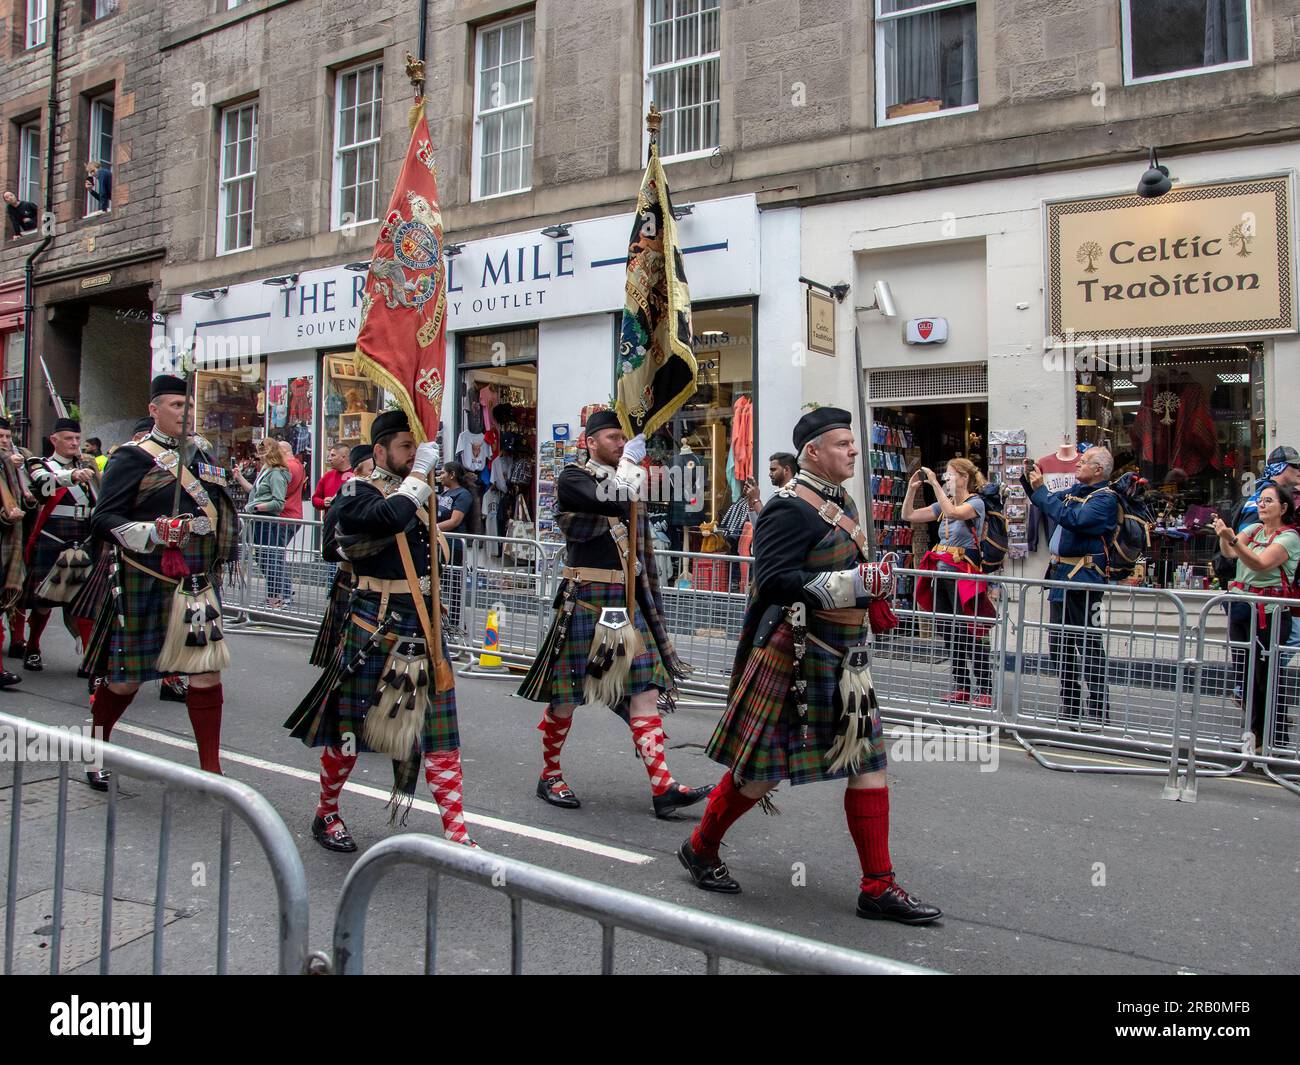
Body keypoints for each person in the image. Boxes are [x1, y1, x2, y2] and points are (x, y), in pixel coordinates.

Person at [679, 406, 940, 925]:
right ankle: (700, 846)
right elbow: (771, 581)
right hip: (799, 655)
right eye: (843, 444)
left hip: (846, 658)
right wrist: (850, 585)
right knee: (760, 775)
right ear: (814, 452)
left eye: (853, 443)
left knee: (868, 765)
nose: (853, 452)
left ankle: (878, 886)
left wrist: (867, 582)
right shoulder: (787, 509)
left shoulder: (837, 500)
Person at [284, 411, 473, 852]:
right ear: (381, 451)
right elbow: (388, 518)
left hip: (422, 625)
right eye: (406, 447)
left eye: (417, 447)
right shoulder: (356, 491)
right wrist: (422, 474)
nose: (413, 455)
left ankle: (458, 833)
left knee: (439, 735)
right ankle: (326, 812)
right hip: (375, 620)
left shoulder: (422, 497)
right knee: (349, 729)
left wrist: (421, 482)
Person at [518, 408, 709, 818]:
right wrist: (628, 468)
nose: (621, 444)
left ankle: (663, 788)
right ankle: (549, 774)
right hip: (586, 599)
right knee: (565, 699)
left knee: (646, 691)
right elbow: (617, 500)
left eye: (624, 438)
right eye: (612, 438)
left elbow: (637, 498)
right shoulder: (572, 477)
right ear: (590, 442)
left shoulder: (624, 477)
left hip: (624, 603)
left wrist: (630, 470)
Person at [81, 376, 239, 789]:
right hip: (148, 577)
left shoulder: (203, 451)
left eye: (189, 404)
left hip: (198, 583)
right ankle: (95, 749)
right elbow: (103, 519)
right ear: (154, 410)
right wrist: (154, 531)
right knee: (125, 678)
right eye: (174, 405)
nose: (185, 412)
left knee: (206, 674)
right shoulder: (131, 457)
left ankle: (211, 769)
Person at [1025, 446, 1119, 728]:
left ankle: (1099, 708)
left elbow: (1073, 519)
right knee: (1060, 645)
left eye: (1084, 461)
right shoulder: (1078, 493)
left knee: (1088, 645)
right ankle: (1070, 704)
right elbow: (1049, 502)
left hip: (1084, 581)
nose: (1078, 464)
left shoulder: (1105, 500)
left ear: (1099, 470)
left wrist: (1043, 493)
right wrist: (1028, 479)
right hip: (1061, 577)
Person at [1213, 484, 1299, 753]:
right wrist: (1223, 535)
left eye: (1268, 501)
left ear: (1283, 508)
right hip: (1242, 608)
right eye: (1260, 500)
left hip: (1270, 615)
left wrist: (1234, 540)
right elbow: (1229, 553)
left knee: (1267, 677)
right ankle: (1253, 737)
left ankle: (1275, 739)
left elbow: (1260, 563)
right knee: (1246, 675)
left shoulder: (1290, 537)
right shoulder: (1254, 530)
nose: (1262, 505)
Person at [903, 457, 995, 708]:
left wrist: (933, 483)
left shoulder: (975, 503)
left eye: (950, 475)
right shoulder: (942, 505)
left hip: (964, 574)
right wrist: (912, 489)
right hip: (942, 573)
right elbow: (908, 514)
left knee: (969, 632)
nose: (946, 480)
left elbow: (955, 512)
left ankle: (985, 687)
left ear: (964, 478)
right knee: (948, 630)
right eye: (945, 476)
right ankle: (963, 686)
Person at [23, 418, 100, 673]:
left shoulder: (88, 467)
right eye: (69, 439)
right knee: (43, 600)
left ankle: (89, 658)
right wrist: (72, 476)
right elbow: (43, 484)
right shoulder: (38, 464)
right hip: (52, 537)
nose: (75, 443)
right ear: (54, 440)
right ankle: (32, 646)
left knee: (85, 601)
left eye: (77, 439)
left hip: (85, 537)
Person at [234, 438, 292, 608]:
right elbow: (255, 491)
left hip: (266, 519)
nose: (258, 455)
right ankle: (273, 597)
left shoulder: (276, 473)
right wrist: (239, 477)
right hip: (259, 519)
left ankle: (277, 597)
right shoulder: (266, 470)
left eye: (262, 451)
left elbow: (278, 502)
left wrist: (257, 507)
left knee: (269, 559)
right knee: (263, 558)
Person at [0, 418, 25, 689]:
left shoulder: (16, 464)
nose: (5, 441)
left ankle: (21, 644)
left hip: (12, 543)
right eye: (0, 436)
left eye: (7, 436)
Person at [437, 461, 473, 641]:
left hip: (455, 546)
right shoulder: (443, 493)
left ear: (452, 475)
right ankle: (444, 623)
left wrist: (432, 528)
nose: (440, 475)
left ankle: (455, 624)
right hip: (441, 544)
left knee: (454, 587)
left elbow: (455, 521)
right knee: (442, 585)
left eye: (443, 473)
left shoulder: (463, 494)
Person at [311, 444, 352, 513]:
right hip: (330, 521)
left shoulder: (355, 476)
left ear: (343, 457)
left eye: (333, 455)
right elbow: (315, 499)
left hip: (348, 521)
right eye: (329, 456)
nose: (329, 459)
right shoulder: (327, 476)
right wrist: (323, 502)